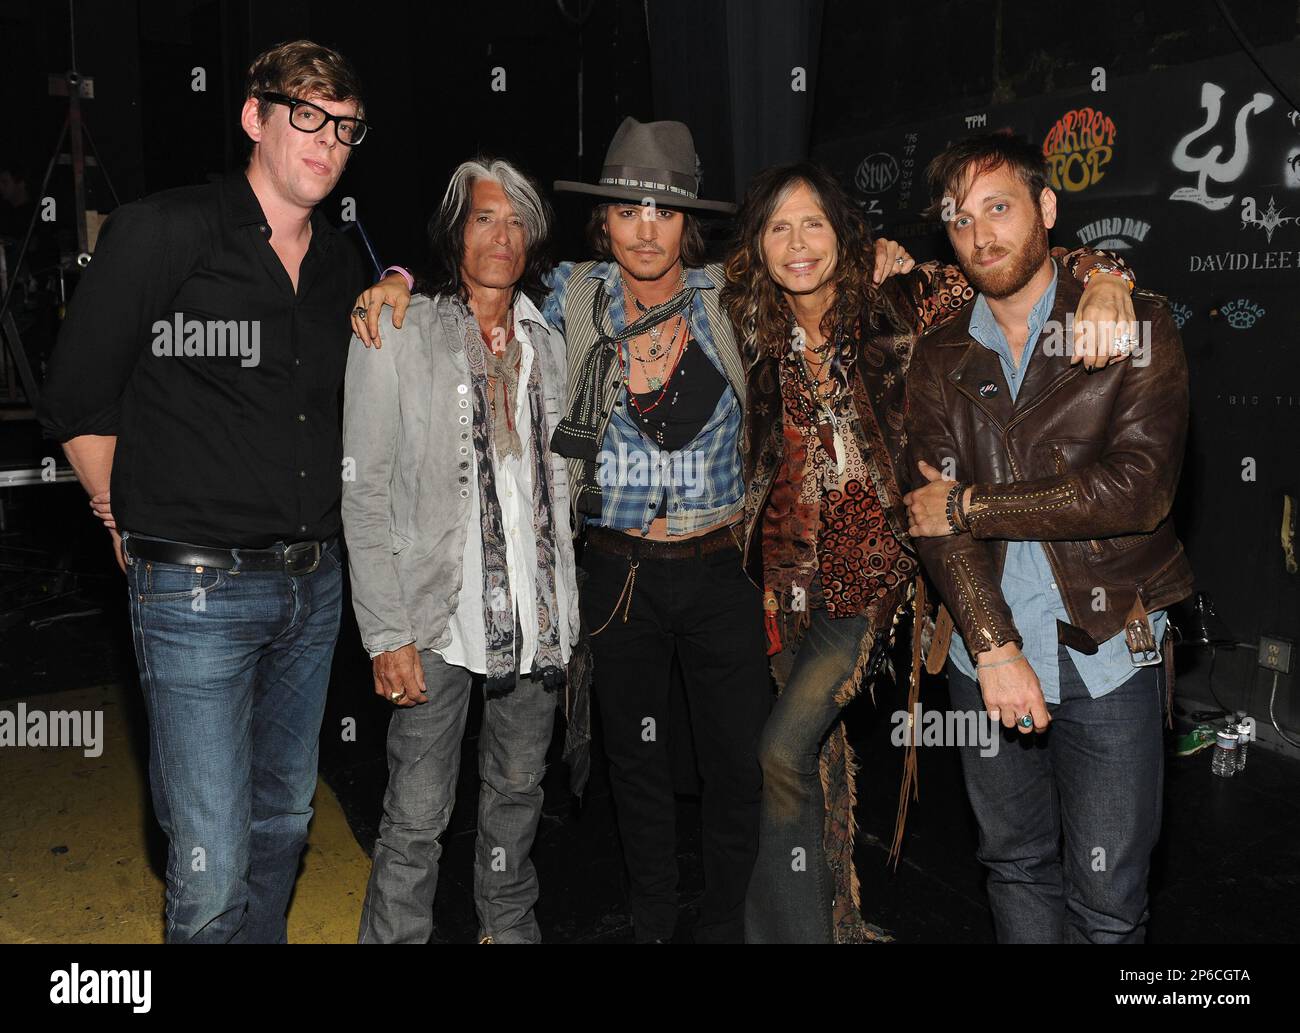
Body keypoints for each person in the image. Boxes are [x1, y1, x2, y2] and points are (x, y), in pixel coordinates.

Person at [726, 158, 1140, 942]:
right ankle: (835, 918)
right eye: (778, 227)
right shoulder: (752, 325)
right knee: (813, 763)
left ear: (846, 232)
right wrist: (406, 271)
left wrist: (1106, 274)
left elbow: (1015, 272)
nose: (798, 243)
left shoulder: (901, 298)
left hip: (881, 568)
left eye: (814, 222)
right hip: (791, 578)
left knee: (779, 748)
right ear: (757, 246)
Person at [37, 40, 370, 942]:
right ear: (254, 117)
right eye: (305, 114)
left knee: (285, 825)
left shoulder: (343, 266)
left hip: (313, 590)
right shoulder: (166, 230)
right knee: (211, 860)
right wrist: (118, 510)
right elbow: (73, 391)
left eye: (343, 126)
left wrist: (404, 284)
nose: (326, 139)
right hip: (195, 590)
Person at [903, 132, 1192, 943]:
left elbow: (1136, 492)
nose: (981, 235)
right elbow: (930, 517)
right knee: (1015, 865)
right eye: (961, 220)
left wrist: (972, 505)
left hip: (1106, 650)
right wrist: (992, 645)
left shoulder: (1134, 325)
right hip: (980, 651)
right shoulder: (938, 352)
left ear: (1048, 209)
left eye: (1000, 208)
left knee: (1107, 902)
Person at [344, 158, 580, 943]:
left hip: (535, 622)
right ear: (457, 230)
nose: (502, 236)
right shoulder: (399, 332)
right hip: (434, 620)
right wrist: (386, 631)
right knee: (416, 815)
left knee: (517, 800)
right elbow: (365, 493)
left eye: (516, 221)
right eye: (484, 217)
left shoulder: (551, 343)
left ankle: (507, 932)